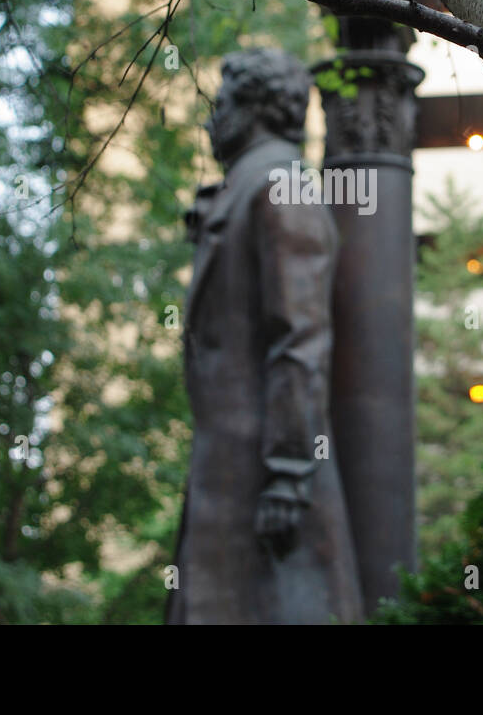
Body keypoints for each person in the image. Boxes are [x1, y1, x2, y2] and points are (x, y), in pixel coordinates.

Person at [165, 48, 363, 624]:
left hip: (267, 481)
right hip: (231, 475)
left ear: (254, 108)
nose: (210, 117)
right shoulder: (247, 191)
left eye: (221, 104)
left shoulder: (281, 188)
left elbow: (299, 336)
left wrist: (287, 473)